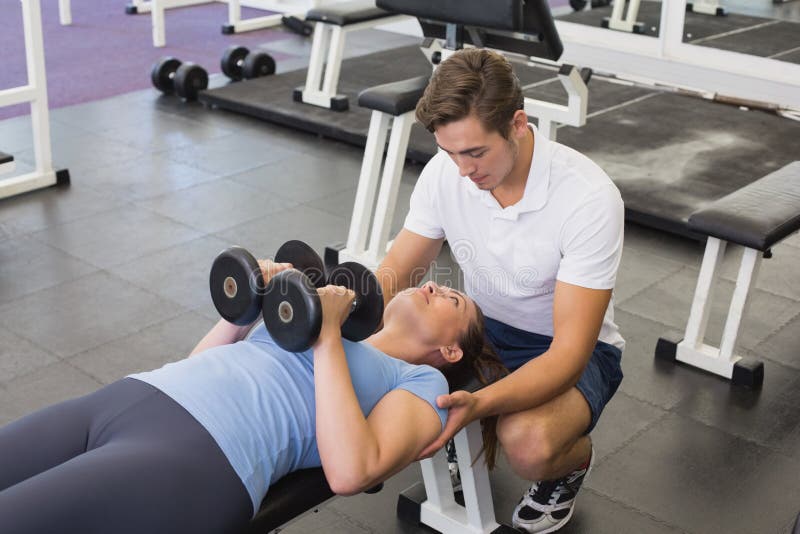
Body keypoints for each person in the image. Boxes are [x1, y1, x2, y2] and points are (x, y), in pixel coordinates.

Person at [0, 259, 506, 534]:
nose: (436, 288)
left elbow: (353, 471)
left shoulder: (420, 383)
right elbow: (200, 364)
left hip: (199, 456)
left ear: (450, 350)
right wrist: (246, 307)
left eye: (453, 299)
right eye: (440, 286)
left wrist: (328, 336)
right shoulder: (317, 323)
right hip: (135, 397)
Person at [375, 48, 625, 533]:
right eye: (450, 152)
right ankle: (461, 430)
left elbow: (568, 353)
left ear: (517, 123)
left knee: (527, 443)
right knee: (388, 352)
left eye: (475, 152)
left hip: (567, 347)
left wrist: (480, 406)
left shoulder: (588, 199)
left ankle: (570, 465)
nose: (463, 170)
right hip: (482, 327)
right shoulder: (447, 172)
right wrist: (344, 327)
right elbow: (398, 271)